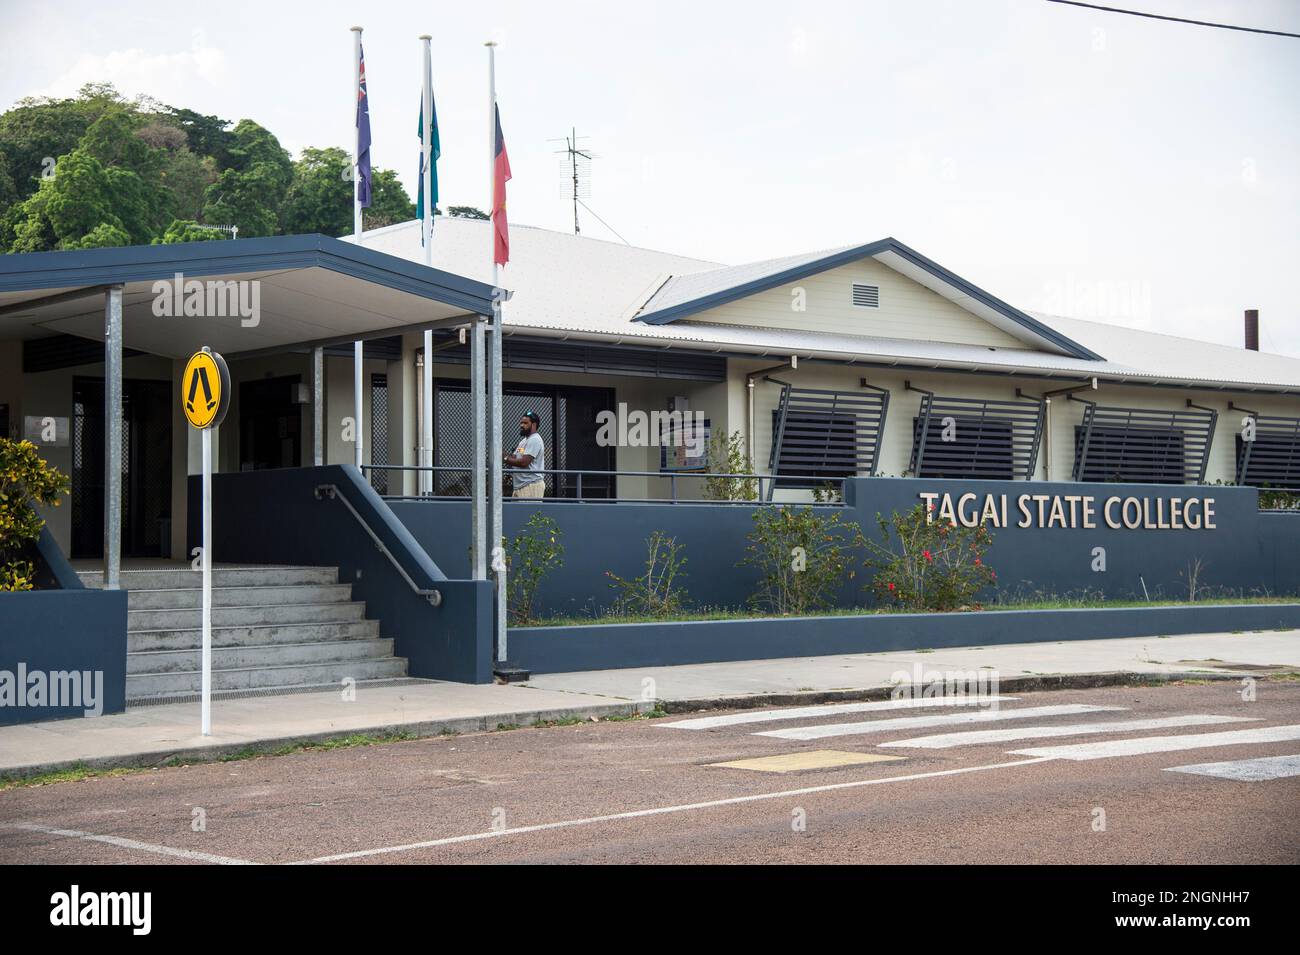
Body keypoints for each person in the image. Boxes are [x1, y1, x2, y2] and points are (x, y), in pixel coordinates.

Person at [504, 410, 546, 498]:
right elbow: (515, 457)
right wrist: (502, 454)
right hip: (520, 486)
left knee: (528, 512)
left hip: (531, 485)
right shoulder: (524, 441)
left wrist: (505, 458)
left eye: (525, 423)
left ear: (534, 425)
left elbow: (524, 462)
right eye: (521, 423)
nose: (522, 425)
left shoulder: (535, 439)